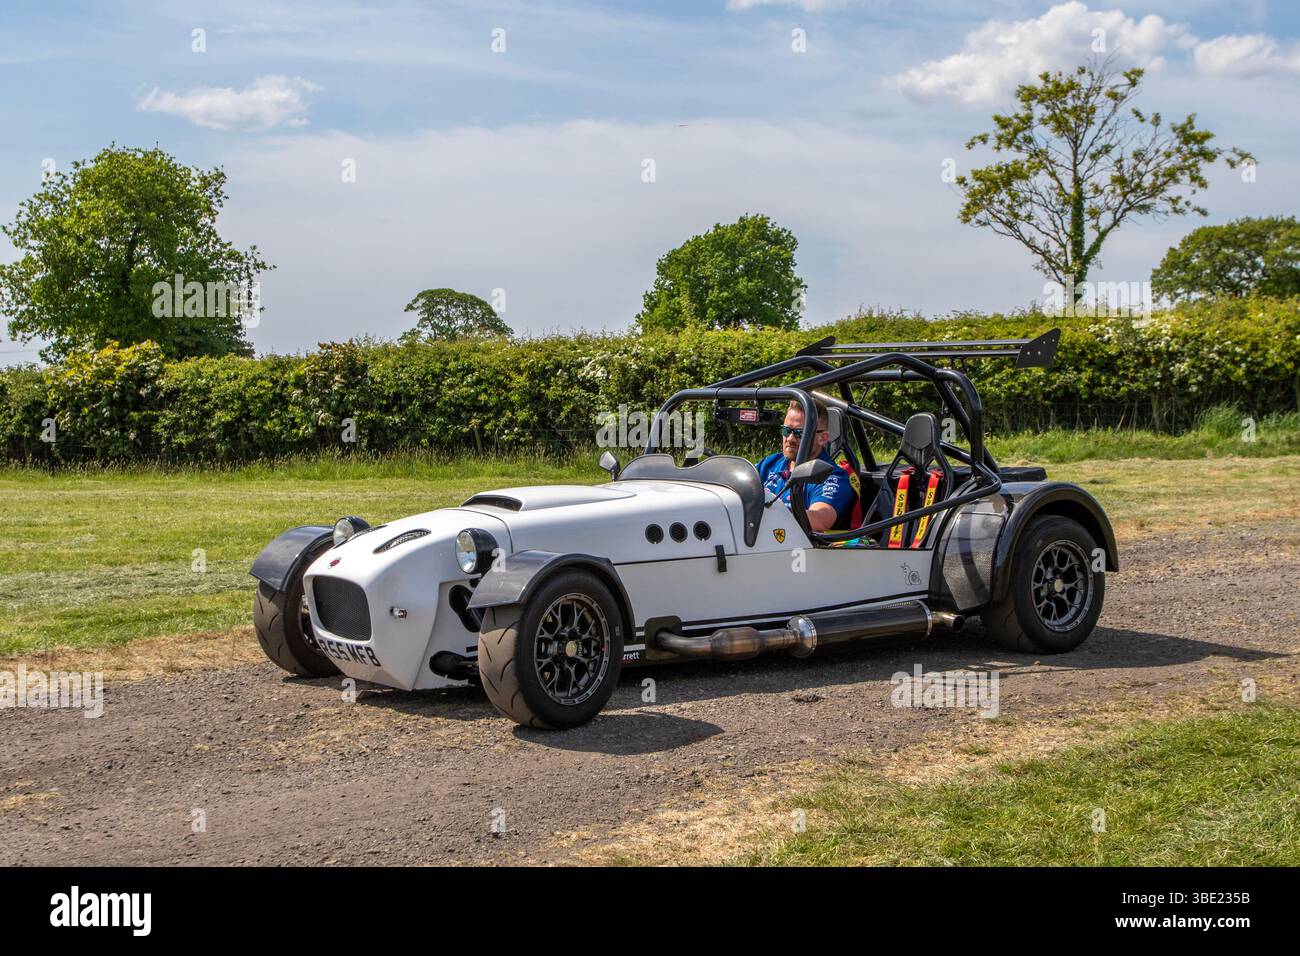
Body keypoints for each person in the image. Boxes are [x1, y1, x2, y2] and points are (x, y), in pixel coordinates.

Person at [754, 399, 856, 534]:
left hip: (797, 550)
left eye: (799, 433)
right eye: (786, 430)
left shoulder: (831, 476)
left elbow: (820, 520)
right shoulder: (770, 463)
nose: (790, 438)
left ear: (822, 438)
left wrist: (763, 513)